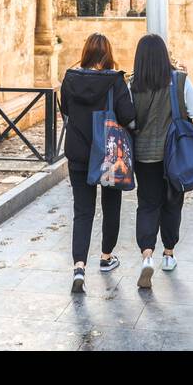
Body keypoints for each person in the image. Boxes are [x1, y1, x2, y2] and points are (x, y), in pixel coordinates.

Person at [59, 33, 137, 293]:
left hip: (78, 153)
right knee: (111, 206)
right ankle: (105, 257)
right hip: (109, 155)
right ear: (108, 55)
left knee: (82, 211)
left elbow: (66, 109)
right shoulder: (115, 80)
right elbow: (127, 115)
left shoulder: (70, 78)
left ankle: (78, 267)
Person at [129, 34, 193, 288]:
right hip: (174, 154)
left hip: (144, 155)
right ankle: (169, 254)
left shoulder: (132, 85)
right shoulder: (179, 80)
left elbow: (128, 119)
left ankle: (147, 255)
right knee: (173, 203)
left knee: (148, 203)